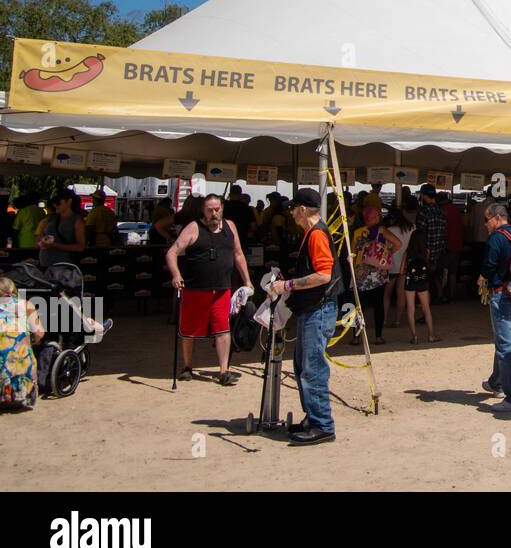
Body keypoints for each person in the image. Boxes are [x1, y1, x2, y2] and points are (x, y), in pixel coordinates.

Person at [266, 189, 343, 445]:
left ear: (302, 209)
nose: (290, 213)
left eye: (292, 208)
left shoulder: (317, 234)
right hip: (313, 309)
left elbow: (323, 274)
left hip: (319, 309)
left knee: (312, 368)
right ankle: (313, 417)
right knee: (303, 367)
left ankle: (322, 425)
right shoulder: (312, 233)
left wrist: (287, 286)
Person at [164, 193, 254, 386]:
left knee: (223, 329)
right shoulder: (193, 227)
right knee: (189, 331)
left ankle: (223, 371)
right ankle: (187, 367)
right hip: (195, 289)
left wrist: (247, 280)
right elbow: (172, 252)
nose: (214, 213)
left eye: (217, 209)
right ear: (203, 211)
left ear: (222, 208)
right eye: (210, 210)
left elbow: (238, 254)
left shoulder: (230, 226)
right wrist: (176, 274)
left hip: (222, 289)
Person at [479, 203, 511, 411]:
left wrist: (481, 278)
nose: (485, 224)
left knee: (505, 347)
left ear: (498, 218)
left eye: (487, 219)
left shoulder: (496, 238)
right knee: (503, 340)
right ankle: (496, 382)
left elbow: (489, 265)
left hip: (502, 295)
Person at [351, 203, 399, 345]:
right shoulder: (382, 231)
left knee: (359, 306)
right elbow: (398, 244)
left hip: (360, 272)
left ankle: (356, 336)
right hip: (377, 273)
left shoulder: (357, 232)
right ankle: (378, 336)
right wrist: (387, 254)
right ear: (375, 217)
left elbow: (352, 253)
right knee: (378, 305)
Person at [0, 276, 44, 411]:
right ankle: (20, 394)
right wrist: (31, 342)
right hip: (20, 364)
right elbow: (39, 333)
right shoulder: (25, 305)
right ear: (12, 288)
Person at [410, 184, 446, 335]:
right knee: (430, 284)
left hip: (424, 255)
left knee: (423, 288)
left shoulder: (424, 213)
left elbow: (420, 236)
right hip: (438, 254)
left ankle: (425, 315)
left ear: (424, 196)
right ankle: (427, 314)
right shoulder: (441, 212)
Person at [383, 197, 415, 328]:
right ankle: (397, 320)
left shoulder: (389, 230)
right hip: (405, 265)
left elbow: (385, 248)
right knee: (401, 293)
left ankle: (383, 319)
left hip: (391, 266)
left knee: (386, 295)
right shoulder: (413, 228)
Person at [38, 189, 86, 267]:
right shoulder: (51, 219)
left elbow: (80, 247)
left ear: (69, 202)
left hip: (63, 267)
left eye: (58, 203)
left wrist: (55, 245)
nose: (55, 205)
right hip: (46, 266)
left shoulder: (77, 220)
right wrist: (42, 241)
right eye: (54, 203)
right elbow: (41, 237)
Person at [435, 192, 464, 300]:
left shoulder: (442, 210)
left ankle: (441, 295)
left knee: (439, 271)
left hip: (445, 245)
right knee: (453, 272)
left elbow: (442, 229)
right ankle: (451, 295)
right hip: (457, 244)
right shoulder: (456, 209)